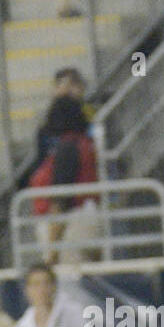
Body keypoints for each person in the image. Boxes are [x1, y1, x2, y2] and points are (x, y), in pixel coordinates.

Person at [27, 94, 99, 265]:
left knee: (67, 283)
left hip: (70, 230)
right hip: (83, 220)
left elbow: (60, 202)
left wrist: (52, 250)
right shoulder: (83, 144)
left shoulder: (67, 149)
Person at [10, 262, 84, 327]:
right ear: (27, 290)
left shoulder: (73, 313)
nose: (42, 290)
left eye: (46, 283)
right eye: (36, 284)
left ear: (54, 286)